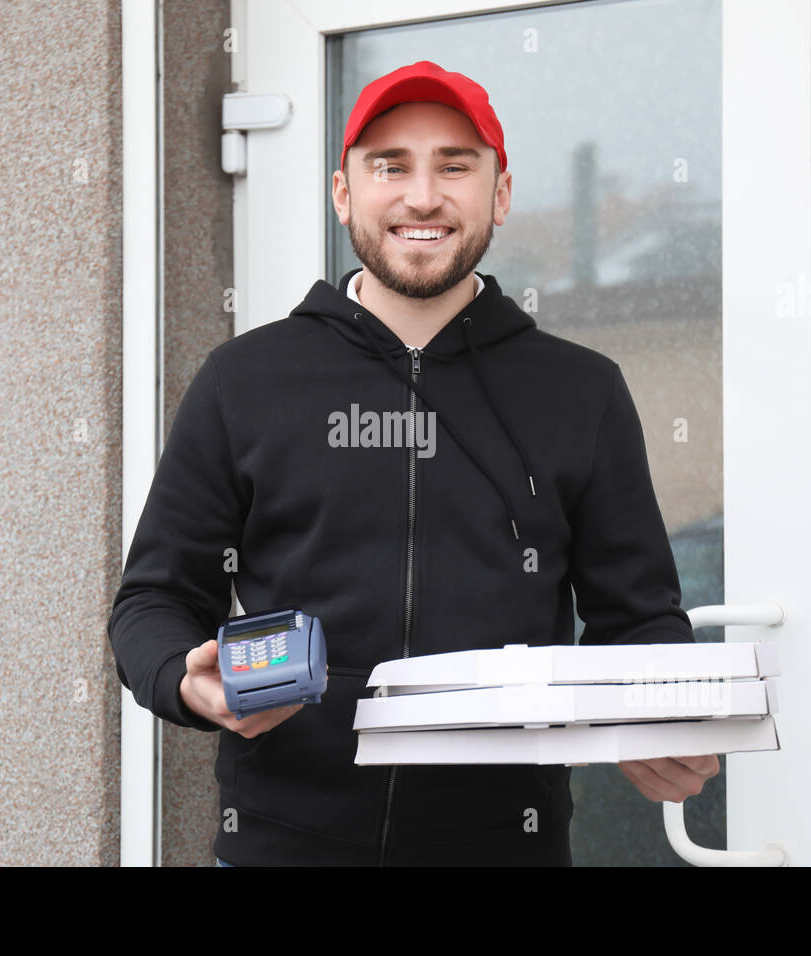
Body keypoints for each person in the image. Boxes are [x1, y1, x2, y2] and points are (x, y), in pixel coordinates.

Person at [107, 60, 717, 867]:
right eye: (389, 165)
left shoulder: (582, 391)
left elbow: (637, 617)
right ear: (342, 193)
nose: (422, 196)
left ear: (499, 196)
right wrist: (187, 681)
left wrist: (662, 718)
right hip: (279, 852)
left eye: (454, 166)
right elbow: (152, 601)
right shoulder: (245, 381)